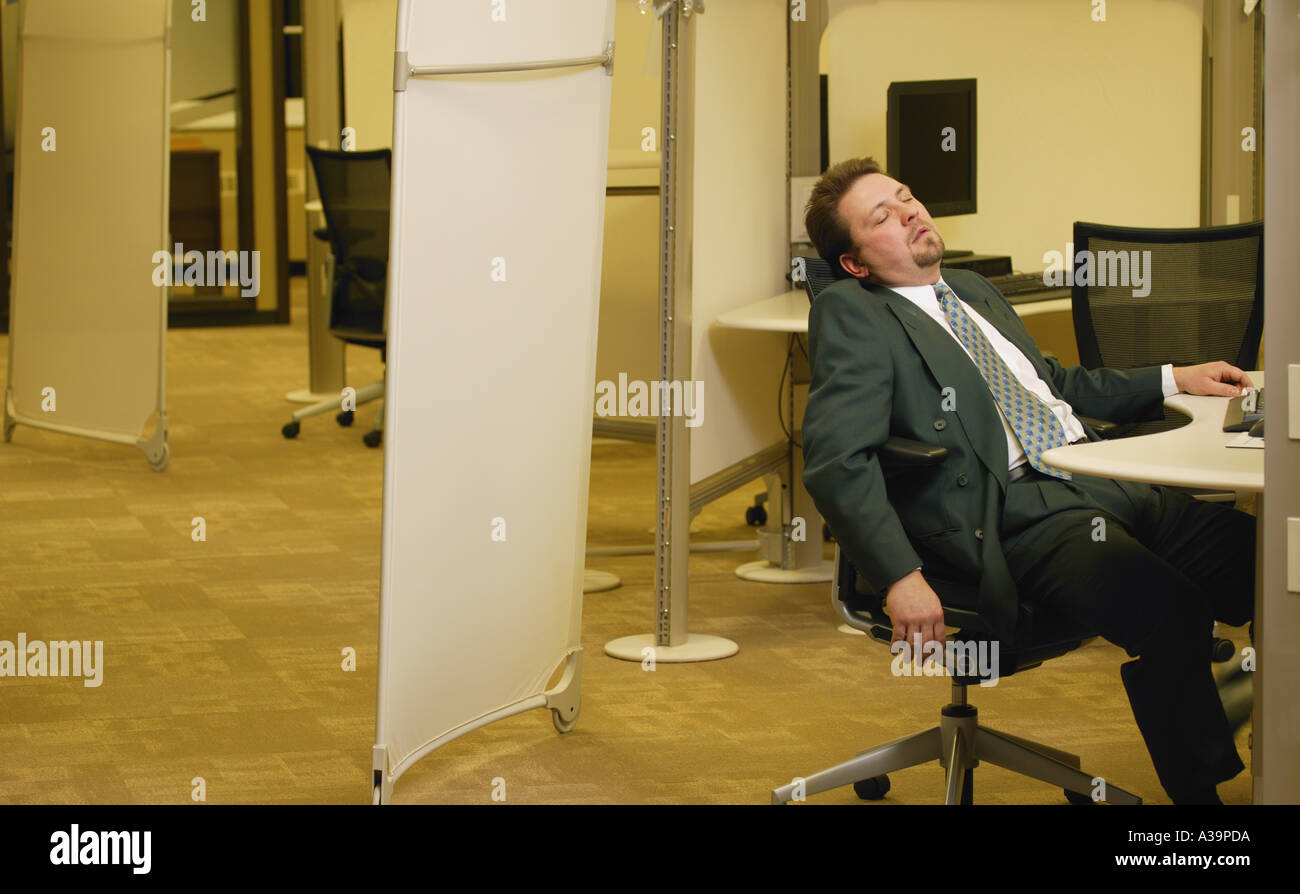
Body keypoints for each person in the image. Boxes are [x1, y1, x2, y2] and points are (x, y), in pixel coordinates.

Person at [800, 156, 1256, 804]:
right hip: (1018, 509)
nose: (909, 211)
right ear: (855, 263)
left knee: (1268, 567)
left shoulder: (972, 289)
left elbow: (1055, 386)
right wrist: (900, 576)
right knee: (1169, 609)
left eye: (906, 196)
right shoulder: (856, 313)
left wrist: (1173, 377)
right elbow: (835, 459)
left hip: (1097, 471)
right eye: (882, 215)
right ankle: (1205, 816)